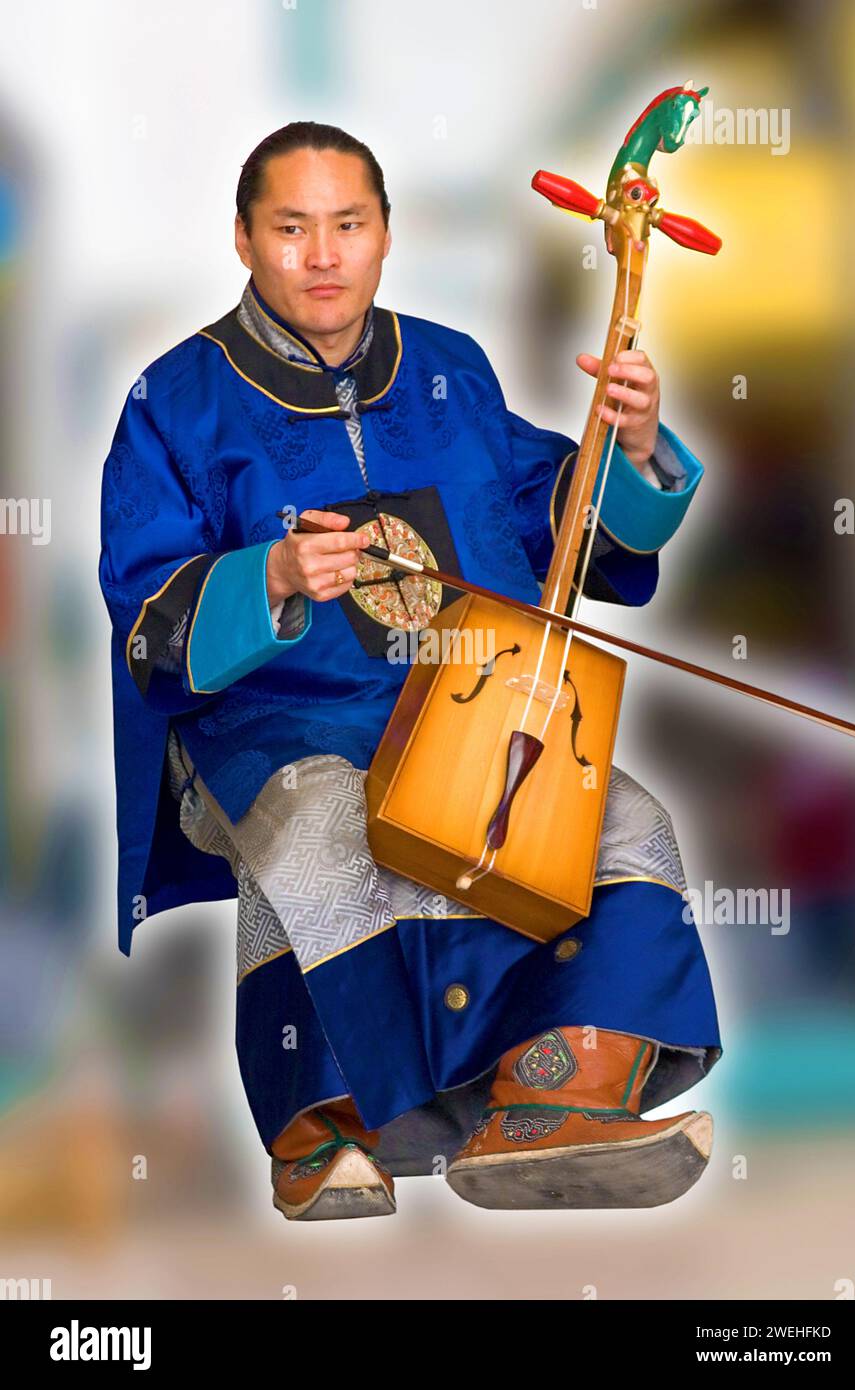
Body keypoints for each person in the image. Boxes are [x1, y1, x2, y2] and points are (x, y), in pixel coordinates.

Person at [98, 121, 721, 1220]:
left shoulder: (449, 369)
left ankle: (551, 1085)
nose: (323, 254)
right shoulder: (173, 400)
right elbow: (145, 611)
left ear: (385, 234)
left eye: (348, 225)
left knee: (616, 818)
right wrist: (275, 576)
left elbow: (556, 522)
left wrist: (627, 452)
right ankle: (340, 1113)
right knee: (326, 826)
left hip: (457, 702)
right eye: (291, 228)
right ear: (243, 239)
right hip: (269, 725)